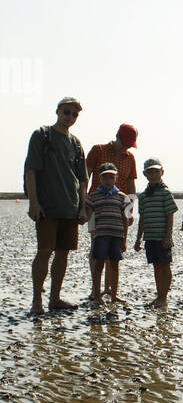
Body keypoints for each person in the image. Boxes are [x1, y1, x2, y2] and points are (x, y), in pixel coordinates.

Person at [24, 96, 88, 316]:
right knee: (44, 251)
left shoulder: (76, 143)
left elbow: (82, 179)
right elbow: (31, 170)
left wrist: (83, 207)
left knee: (63, 253)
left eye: (74, 114)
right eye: (67, 112)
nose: (70, 117)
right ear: (58, 111)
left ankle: (55, 298)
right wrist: (34, 202)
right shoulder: (42, 135)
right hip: (47, 207)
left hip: (70, 208)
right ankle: (36, 301)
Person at [85, 123, 138, 302]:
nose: (127, 147)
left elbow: (131, 185)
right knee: (97, 247)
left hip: (119, 206)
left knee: (114, 250)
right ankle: (95, 290)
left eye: (130, 144)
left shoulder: (130, 158)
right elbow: (85, 176)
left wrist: (130, 210)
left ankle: (110, 290)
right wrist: (82, 203)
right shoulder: (98, 150)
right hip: (96, 204)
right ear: (117, 136)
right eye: (125, 143)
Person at [84, 162, 133, 305]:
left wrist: (125, 239)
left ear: (116, 178)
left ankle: (114, 294)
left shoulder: (122, 196)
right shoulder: (94, 197)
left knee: (115, 265)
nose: (108, 181)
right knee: (98, 264)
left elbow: (125, 218)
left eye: (111, 177)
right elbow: (87, 215)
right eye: (105, 177)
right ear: (100, 178)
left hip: (117, 236)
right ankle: (97, 295)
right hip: (101, 235)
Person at [134, 158, 176, 307]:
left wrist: (168, 236)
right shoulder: (143, 196)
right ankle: (159, 296)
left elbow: (170, 215)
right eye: (150, 172)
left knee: (165, 266)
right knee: (156, 267)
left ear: (162, 172)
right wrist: (138, 239)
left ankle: (163, 297)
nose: (153, 175)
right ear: (145, 174)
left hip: (162, 237)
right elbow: (142, 218)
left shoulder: (165, 193)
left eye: (156, 172)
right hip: (150, 237)